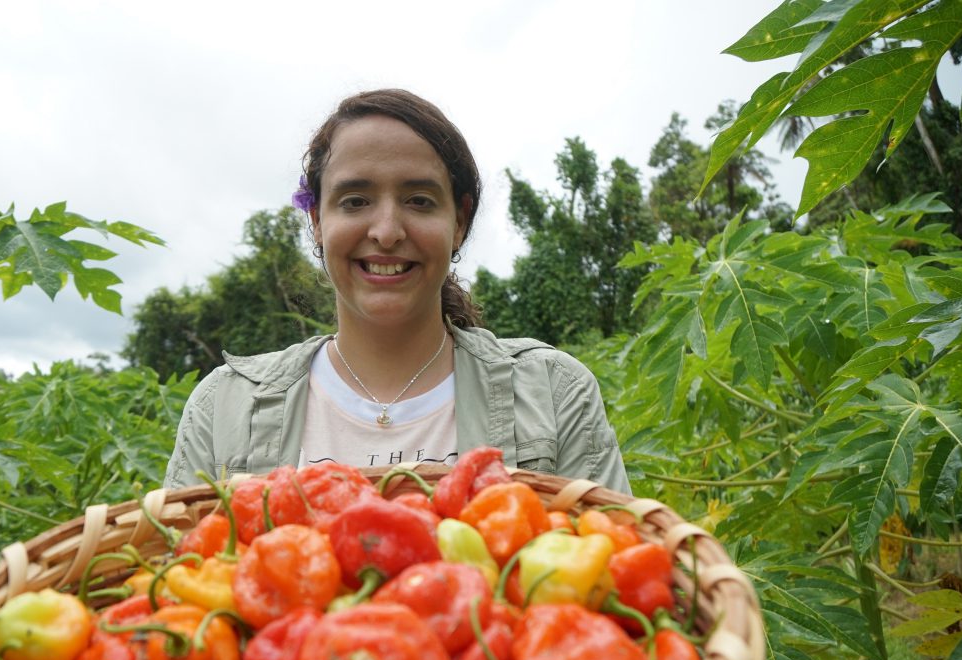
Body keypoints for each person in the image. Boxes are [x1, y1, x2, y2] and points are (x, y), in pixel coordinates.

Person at [165, 88, 630, 494]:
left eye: (419, 201)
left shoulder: (552, 393)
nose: (386, 232)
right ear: (317, 221)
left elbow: (610, 562)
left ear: (459, 222)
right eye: (355, 201)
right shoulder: (223, 407)